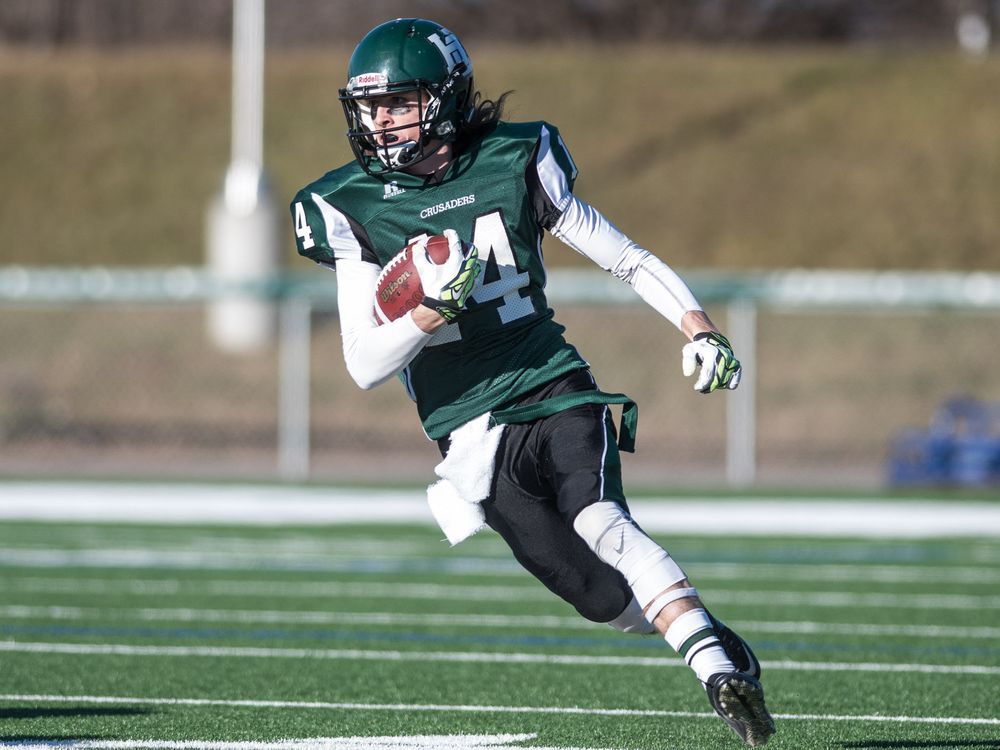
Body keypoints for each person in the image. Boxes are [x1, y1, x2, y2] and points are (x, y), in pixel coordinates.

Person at [290, 18, 775, 747]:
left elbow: (627, 258)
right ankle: (711, 636)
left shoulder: (515, 159)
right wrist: (428, 311)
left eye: (399, 101)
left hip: (553, 386)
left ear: (445, 99)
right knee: (603, 600)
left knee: (603, 522)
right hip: (470, 435)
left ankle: (712, 669)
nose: (380, 120)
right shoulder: (348, 204)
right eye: (370, 106)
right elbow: (363, 363)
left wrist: (697, 326)